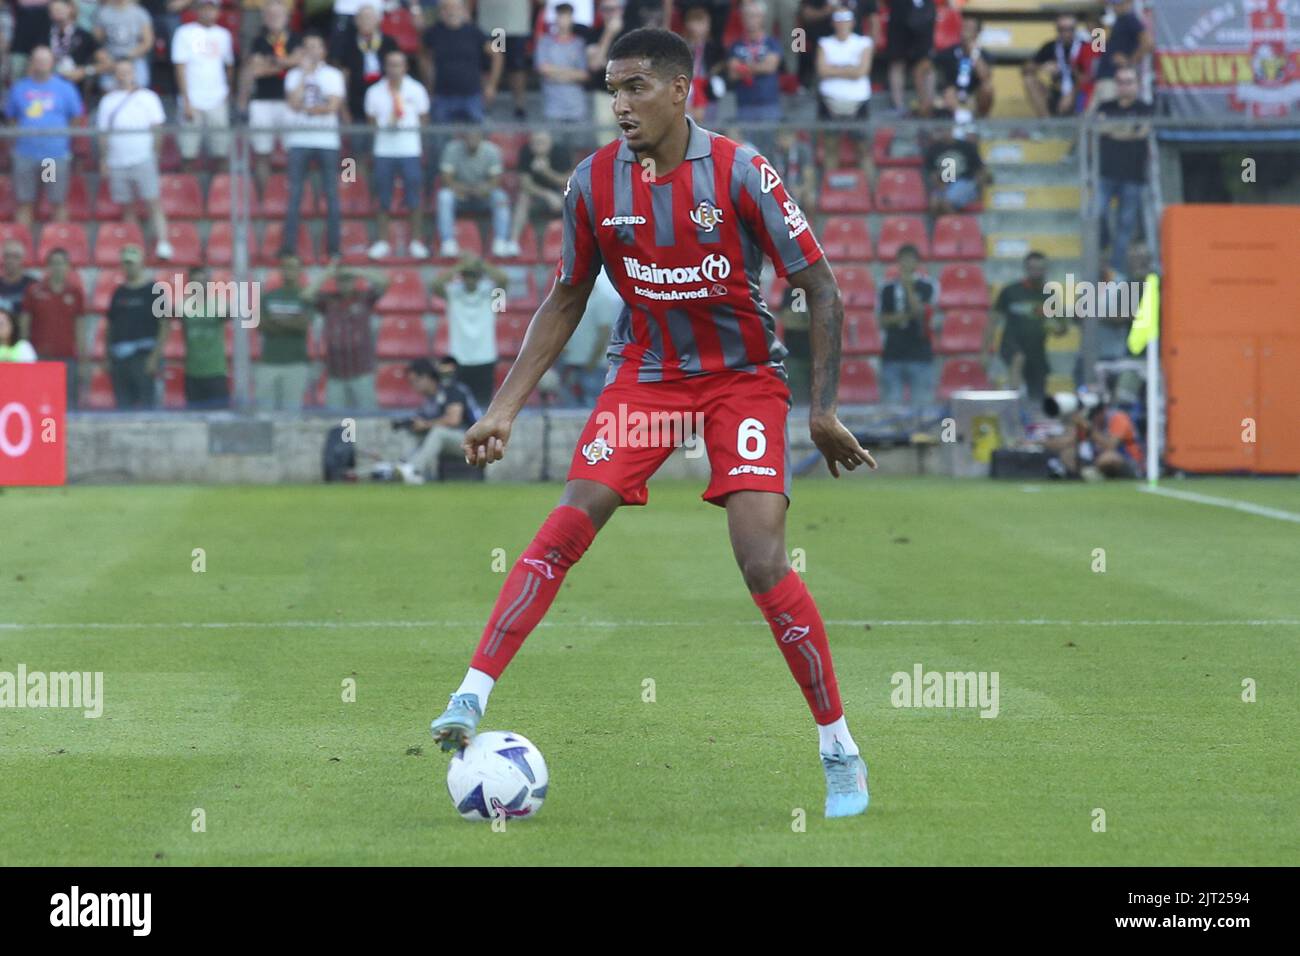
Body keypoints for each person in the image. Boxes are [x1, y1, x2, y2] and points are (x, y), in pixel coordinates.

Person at [429, 27, 876, 819]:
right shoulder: (594, 183)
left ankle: (837, 747)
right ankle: (470, 695)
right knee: (570, 520)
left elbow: (823, 287)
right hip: (647, 379)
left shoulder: (743, 172)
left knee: (761, 560)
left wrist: (822, 408)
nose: (620, 105)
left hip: (742, 382)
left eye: (635, 87)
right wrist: (502, 406)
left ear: (679, 90)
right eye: (611, 89)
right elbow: (565, 297)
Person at [95, 56, 174, 260]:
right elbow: (103, 134)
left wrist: (155, 155)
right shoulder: (107, 101)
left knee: (153, 201)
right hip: (117, 160)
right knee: (128, 206)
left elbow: (157, 129)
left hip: (143, 157)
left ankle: (164, 243)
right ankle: (136, 247)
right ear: (114, 76)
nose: (123, 76)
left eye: (127, 72)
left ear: (134, 74)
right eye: (119, 72)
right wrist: (104, 159)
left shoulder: (148, 97)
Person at [281, 33, 346, 264]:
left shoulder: (334, 75)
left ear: (323, 51)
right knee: (295, 194)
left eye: (316, 47)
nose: (311, 51)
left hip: (327, 141)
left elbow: (332, 106)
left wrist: (307, 109)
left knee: (332, 193)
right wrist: (305, 76)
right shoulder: (293, 76)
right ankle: (288, 248)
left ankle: (335, 248)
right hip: (298, 140)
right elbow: (292, 102)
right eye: (307, 47)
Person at [5, 46, 85, 228]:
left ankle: (59, 245)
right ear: (32, 62)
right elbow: (11, 119)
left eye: (45, 60)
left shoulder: (64, 88)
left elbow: (76, 118)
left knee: (56, 201)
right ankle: (23, 245)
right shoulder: (19, 88)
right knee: (25, 201)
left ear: (52, 63)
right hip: (26, 155)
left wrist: (62, 139)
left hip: (51, 157)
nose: (41, 64)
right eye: (38, 60)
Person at [364, 47, 430, 259]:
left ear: (405, 67)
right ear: (385, 67)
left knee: (414, 198)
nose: (394, 69)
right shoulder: (374, 92)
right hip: (384, 151)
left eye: (398, 65)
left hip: (410, 150)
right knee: (383, 197)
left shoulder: (417, 89)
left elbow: (423, 119)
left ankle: (416, 241)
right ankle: (383, 241)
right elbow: (371, 124)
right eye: (390, 65)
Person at [239, 0, 303, 198]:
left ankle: (289, 195)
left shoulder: (296, 39)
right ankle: (264, 198)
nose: (274, 18)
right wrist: (286, 63)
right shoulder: (258, 40)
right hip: (262, 102)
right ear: (264, 18)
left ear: (287, 17)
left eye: (278, 14)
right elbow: (253, 70)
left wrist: (270, 64)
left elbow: (301, 61)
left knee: (291, 152)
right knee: (262, 152)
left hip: (289, 102)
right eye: (270, 15)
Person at [388, 356, 481, 484]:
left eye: (415, 381)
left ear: (426, 377)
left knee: (438, 433)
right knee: (414, 433)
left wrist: (425, 424)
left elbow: (454, 420)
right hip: (453, 440)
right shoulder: (429, 399)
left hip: (473, 440)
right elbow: (423, 422)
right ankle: (404, 465)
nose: (413, 386)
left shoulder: (452, 389)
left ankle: (414, 470)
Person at [430, 253, 504, 408]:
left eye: (474, 275)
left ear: (480, 276)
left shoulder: (492, 293)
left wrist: (480, 264)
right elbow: (434, 285)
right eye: (467, 275)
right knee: (459, 406)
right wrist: (460, 266)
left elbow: (504, 280)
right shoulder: (453, 293)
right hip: (460, 358)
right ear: (461, 276)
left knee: (485, 405)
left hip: (486, 357)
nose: (471, 279)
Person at [1096, 66, 1152, 271]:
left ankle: (1116, 269)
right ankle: (1103, 248)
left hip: (1133, 174)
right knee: (1097, 212)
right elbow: (1100, 128)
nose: (1124, 86)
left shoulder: (1144, 107)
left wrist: (1114, 130)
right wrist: (1126, 129)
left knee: (1125, 225)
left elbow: (1141, 132)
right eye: (1120, 82)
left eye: (1129, 82)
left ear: (1137, 84)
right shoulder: (1105, 106)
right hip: (1106, 172)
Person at [314, 264, 389, 409]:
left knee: (368, 419)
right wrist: (327, 274)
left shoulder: (364, 298)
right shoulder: (328, 301)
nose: (345, 284)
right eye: (341, 280)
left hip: (361, 372)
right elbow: (306, 294)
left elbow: (384, 283)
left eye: (348, 280)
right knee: (334, 420)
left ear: (355, 281)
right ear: (336, 283)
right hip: (335, 374)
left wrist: (358, 270)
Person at [171, 0, 234, 171]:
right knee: (188, 153)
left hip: (217, 98)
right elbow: (180, 67)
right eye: (204, 8)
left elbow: (229, 65)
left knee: (221, 152)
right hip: (192, 98)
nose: (208, 12)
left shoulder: (224, 35)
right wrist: (186, 100)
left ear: (218, 11)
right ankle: (188, 194)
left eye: (211, 9)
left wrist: (226, 91)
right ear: (197, 10)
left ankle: (221, 194)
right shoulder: (184, 33)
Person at [988, 251, 1056, 409]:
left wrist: (1057, 327)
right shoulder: (1010, 291)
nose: (1036, 272)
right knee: (1018, 358)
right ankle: (1013, 403)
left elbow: (1059, 328)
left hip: (1037, 351)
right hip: (1011, 344)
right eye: (1032, 268)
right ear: (1026, 269)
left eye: (1040, 269)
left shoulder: (1050, 295)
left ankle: (1032, 421)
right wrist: (984, 352)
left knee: (1037, 398)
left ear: (1046, 270)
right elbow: (993, 321)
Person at [19, 248, 86, 407]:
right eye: (54, 263)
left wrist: (83, 360)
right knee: (39, 403)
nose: (58, 267)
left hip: (67, 359)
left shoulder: (76, 292)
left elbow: (80, 328)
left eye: (62, 263)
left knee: (68, 405)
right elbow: (24, 326)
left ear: (68, 266)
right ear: (47, 266)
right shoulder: (34, 291)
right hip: (40, 358)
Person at [419, 0, 502, 124]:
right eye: (446, 8)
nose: (451, 11)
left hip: (472, 95)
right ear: (441, 12)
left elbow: (497, 56)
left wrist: (492, 85)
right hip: (442, 95)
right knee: (441, 139)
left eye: (455, 8)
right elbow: (423, 56)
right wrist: (428, 83)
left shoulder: (474, 32)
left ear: (463, 10)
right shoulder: (432, 33)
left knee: (475, 138)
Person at [436, 129, 512, 259]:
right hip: (459, 195)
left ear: (481, 137)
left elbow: (495, 180)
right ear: (463, 137)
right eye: (469, 136)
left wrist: (484, 189)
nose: (472, 139)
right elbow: (446, 178)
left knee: (501, 197)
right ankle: (448, 242)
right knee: (444, 196)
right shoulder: (452, 149)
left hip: (483, 195)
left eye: (475, 136)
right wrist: (463, 189)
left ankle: (500, 241)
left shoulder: (492, 151)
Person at [877, 243, 936, 408]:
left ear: (917, 263)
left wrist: (908, 286)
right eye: (903, 260)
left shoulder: (927, 285)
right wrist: (905, 316)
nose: (906, 263)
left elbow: (920, 313)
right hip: (893, 353)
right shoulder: (886, 287)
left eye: (911, 260)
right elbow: (882, 320)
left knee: (922, 408)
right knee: (892, 408)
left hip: (920, 353)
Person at [255, 253, 315, 411]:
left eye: (293, 267)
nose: (289, 271)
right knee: (264, 413)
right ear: (281, 270)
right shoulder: (268, 297)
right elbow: (261, 325)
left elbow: (302, 326)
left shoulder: (306, 296)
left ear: (300, 271)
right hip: (269, 363)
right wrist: (291, 322)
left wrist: (276, 320)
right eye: (286, 267)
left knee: (292, 415)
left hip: (296, 364)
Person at [105, 243, 162, 409]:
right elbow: (111, 324)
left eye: (132, 263)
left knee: (147, 407)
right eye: (126, 263)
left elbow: (164, 326)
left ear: (141, 263)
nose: (128, 267)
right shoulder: (118, 292)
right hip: (120, 358)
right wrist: (107, 354)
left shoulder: (154, 291)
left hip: (144, 357)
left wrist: (155, 357)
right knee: (122, 406)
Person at [815, 6, 873, 169]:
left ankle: (871, 193)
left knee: (864, 150)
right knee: (830, 149)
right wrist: (850, 69)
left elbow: (861, 71)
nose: (842, 24)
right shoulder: (824, 43)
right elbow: (822, 71)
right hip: (829, 102)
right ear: (833, 23)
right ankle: (828, 192)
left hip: (859, 102)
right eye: (838, 20)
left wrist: (834, 69)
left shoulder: (864, 42)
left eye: (845, 20)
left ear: (853, 22)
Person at [727, 0, 783, 153]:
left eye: (754, 16)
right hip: (744, 106)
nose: (750, 19)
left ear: (762, 18)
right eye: (747, 16)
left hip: (768, 105)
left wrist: (743, 68)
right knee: (746, 153)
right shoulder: (736, 45)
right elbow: (732, 73)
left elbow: (770, 67)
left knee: (769, 151)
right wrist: (759, 66)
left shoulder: (772, 43)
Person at [558, 265, 616, 407]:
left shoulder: (601, 300)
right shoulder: (574, 299)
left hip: (591, 366)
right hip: (572, 363)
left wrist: (593, 362)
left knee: (591, 406)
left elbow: (604, 334)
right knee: (571, 407)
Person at [330, 3, 398, 126]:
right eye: (362, 18)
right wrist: (345, 109)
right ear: (356, 21)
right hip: (356, 103)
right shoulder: (347, 43)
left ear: (378, 20)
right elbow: (344, 77)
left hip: (384, 103)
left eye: (370, 17)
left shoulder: (389, 43)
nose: (366, 21)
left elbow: (397, 72)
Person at [175, 264, 231, 409]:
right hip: (193, 373)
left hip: (216, 372)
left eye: (203, 282)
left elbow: (230, 313)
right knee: (194, 422)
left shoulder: (218, 304)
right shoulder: (184, 307)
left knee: (220, 420)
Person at [509, 129, 570, 260]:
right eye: (534, 143)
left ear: (550, 143)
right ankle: (513, 241)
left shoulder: (560, 152)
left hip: (560, 192)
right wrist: (547, 195)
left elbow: (567, 180)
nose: (537, 146)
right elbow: (525, 184)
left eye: (542, 143)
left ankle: (576, 243)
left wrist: (546, 171)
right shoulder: (526, 152)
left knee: (575, 198)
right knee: (523, 198)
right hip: (536, 194)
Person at [1023, 13, 1095, 118]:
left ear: (1075, 29)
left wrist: (1071, 94)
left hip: (1079, 92)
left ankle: (1082, 122)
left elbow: (1090, 76)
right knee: (1029, 80)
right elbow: (1025, 69)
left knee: (1092, 85)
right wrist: (1042, 66)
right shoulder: (1050, 46)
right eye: (1062, 29)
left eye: (1070, 29)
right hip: (1056, 90)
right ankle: (1047, 124)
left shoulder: (1085, 46)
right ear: (1056, 29)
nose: (1066, 33)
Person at [475, 0, 532, 119]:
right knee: (491, 64)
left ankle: (519, 106)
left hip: (516, 25)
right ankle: (487, 103)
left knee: (516, 67)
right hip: (493, 25)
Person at [923, 117, 991, 214]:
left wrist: (978, 185)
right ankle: (945, 226)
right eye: (942, 129)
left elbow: (980, 168)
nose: (945, 132)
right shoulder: (934, 149)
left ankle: (957, 226)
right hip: (943, 184)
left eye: (948, 129)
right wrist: (940, 185)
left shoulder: (966, 146)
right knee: (934, 204)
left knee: (947, 202)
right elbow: (931, 172)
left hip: (964, 182)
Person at [933, 14, 992, 119]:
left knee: (987, 88)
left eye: (970, 29)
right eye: (964, 28)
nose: (965, 32)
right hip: (951, 95)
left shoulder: (984, 55)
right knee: (949, 92)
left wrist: (973, 53)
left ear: (977, 33)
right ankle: (961, 117)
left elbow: (985, 77)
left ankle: (980, 118)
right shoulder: (948, 53)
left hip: (973, 95)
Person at [885, 0, 935, 116]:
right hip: (900, 11)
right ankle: (898, 106)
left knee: (926, 64)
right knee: (897, 62)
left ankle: (928, 105)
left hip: (924, 11)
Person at [93, 0, 153, 91]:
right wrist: (106, 59)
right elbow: (97, 42)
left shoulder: (140, 12)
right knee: (106, 85)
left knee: (141, 82)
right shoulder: (103, 13)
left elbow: (148, 42)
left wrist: (128, 58)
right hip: (111, 59)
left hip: (134, 57)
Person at [47, 0, 100, 98]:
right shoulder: (45, 35)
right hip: (51, 89)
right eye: (54, 10)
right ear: (50, 14)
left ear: (71, 9)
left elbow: (106, 64)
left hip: (77, 88)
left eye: (60, 8)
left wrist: (84, 71)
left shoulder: (84, 36)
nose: (58, 11)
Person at [0, 241, 36, 318]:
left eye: (15, 257)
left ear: (22, 259)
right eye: (7, 256)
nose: (10, 260)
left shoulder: (33, 284)